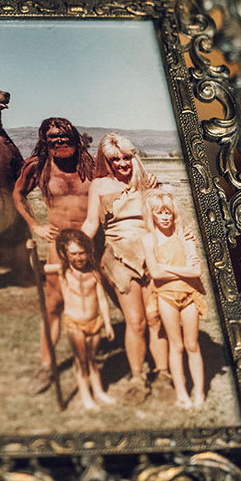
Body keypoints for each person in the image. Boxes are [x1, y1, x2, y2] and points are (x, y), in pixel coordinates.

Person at [81, 132, 166, 403]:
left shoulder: (146, 180)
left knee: (154, 317)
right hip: (118, 257)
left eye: (125, 158)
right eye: (114, 159)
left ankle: (164, 375)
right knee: (136, 321)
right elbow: (91, 223)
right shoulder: (99, 185)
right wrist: (73, 244)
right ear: (106, 161)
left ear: (132, 157)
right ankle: (138, 377)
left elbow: (163, 215)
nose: (121, 164)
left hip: (150, 253)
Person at [13, 117, 95, 393]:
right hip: (58, 245)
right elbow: (18, 195)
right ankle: (46, 366)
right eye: (53, 137)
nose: (59, 140)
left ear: (74, 136)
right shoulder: (38, 166)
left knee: (111, 297)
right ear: (44, 141)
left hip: (93, 243)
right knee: (53, 306)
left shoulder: (91, 164)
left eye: (64, 135)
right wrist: (35, 225)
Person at [142, 188, 208, 408]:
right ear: (152, 214)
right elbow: (155, 274)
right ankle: (181, 393)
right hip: (166, 296)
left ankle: (199, 392)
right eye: (159, 212)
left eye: (168, 212)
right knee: (176, 345)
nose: (164, 217)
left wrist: (167, 267)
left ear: (173, 213)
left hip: (189, 295)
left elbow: (196, 272)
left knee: (192, 344)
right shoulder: (148, 239)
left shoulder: (185, 236)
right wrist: (182, 270)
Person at [44, 228, 115, 410]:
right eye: (73, 254)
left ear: (87, 251)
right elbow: (39, 267)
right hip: (74, 323)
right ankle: (85, 395)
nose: (78, 258)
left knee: (92, 358)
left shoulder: (94, 273)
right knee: (81, 360)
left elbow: (102, 300)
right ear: (65, 254)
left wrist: (107, 323)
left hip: (94, 322)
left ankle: (98, 391)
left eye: (81, 253)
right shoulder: (62, 270)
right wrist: (30, 252)